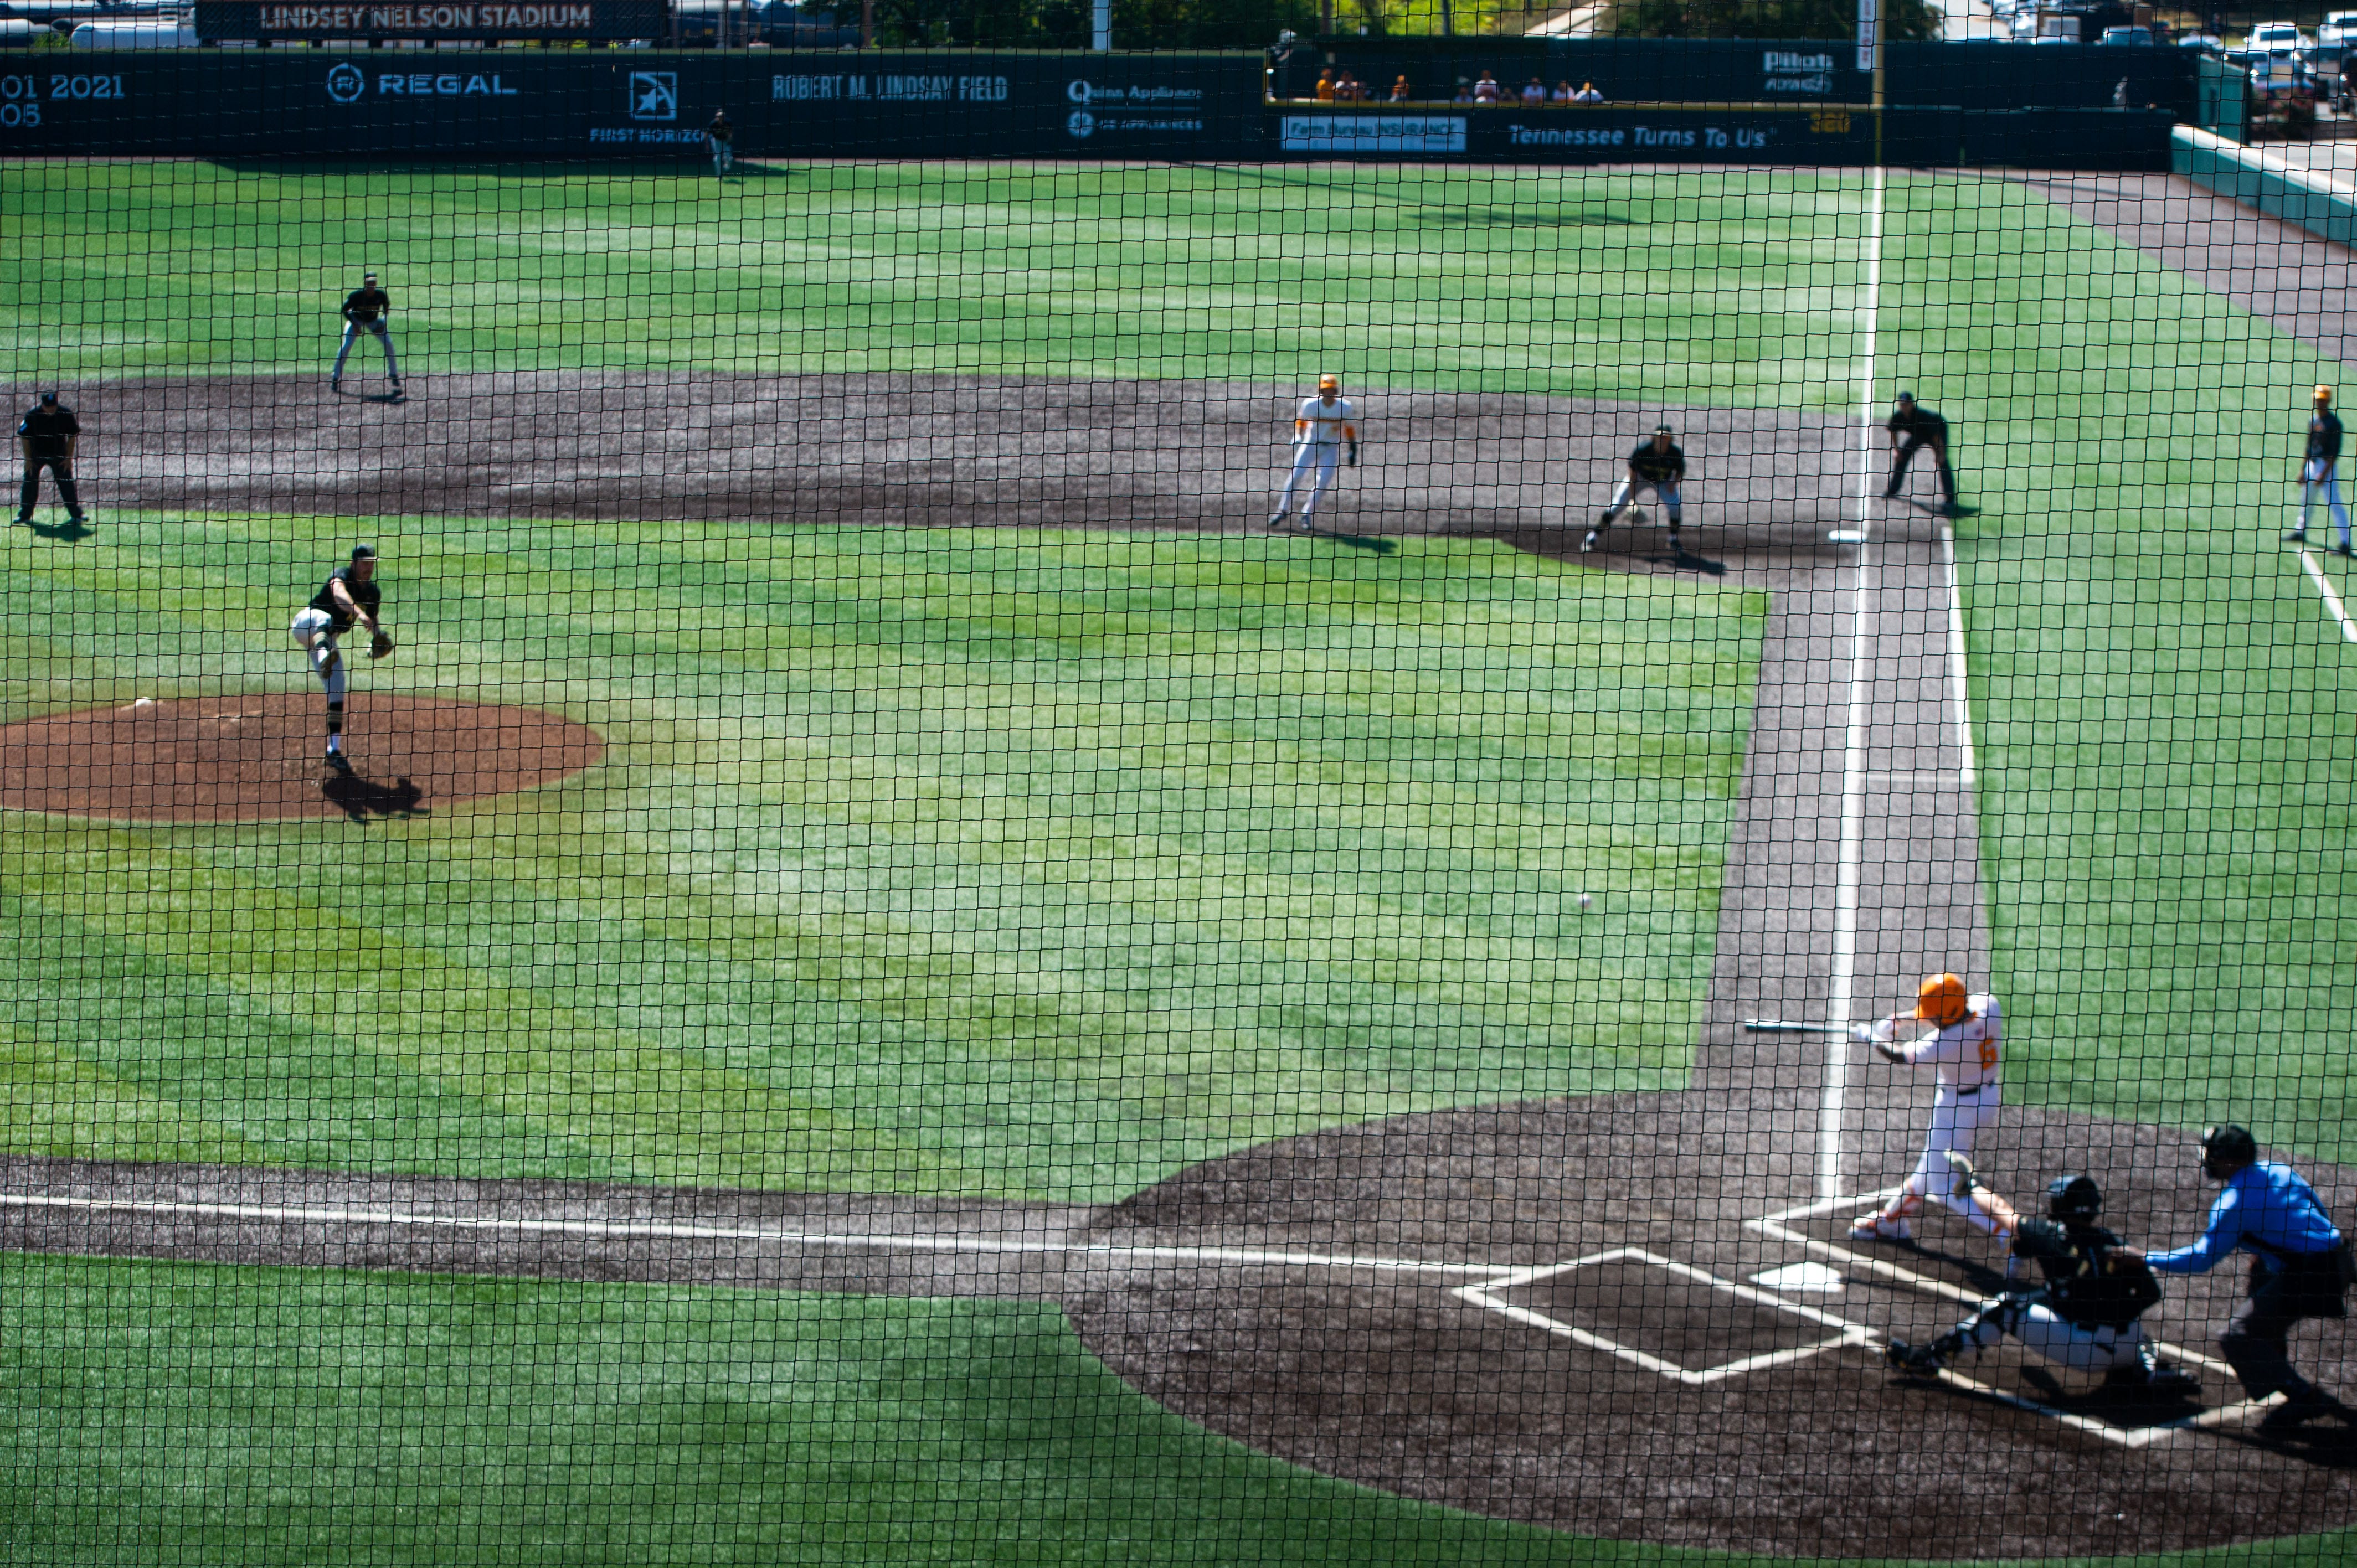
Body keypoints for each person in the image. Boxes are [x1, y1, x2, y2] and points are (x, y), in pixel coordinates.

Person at [2122, 1125, 2355, 1437]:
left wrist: (2144, 1257)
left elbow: (2201, 1259)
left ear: (2228, 1160)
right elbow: (2316, 1212)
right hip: (2339, 1256)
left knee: (2236, 1336)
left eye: (2213, 1155)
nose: (2208, 1161)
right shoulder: (2278, 1169)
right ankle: (2276, 1366)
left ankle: (2302, 1396)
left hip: (2313, 1276)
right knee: (2260, 1281)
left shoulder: (2233, 1203)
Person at [1885, 1175, 2199, 1395]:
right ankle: (2150, 1367)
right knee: (2057, 1297)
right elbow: (2151, 1294)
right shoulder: (2114, 1243)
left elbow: (2000, 1212)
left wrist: (1974, 1184)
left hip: (2087, 1355)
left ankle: (1927, 1360)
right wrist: (2106, 1308)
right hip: (2129, 1346)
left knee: (2005, 1306)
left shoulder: (2050, 1236)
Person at [1847, 972, 2012, 1243]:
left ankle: (2007, 1235)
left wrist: (1874, 1038)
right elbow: (1951, 1011)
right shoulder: (1989, 1006)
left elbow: (1898, 1055)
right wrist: (1902, 1017)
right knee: (1927, 1170)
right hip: (1985, 1099)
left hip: (1957, 1111)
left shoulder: (1946, 1044)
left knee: (1944, 1187)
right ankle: (1892, 1222)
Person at [289, 544, 392, 771]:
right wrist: (358, 613)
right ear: (354, 563)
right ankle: (326, 654)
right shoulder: (342, 576)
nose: (368, 568)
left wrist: (378, 637)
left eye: (371, 563)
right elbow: (338, 595)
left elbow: (372, 623)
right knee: (324, 619)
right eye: (364, 563)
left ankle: (333, 750)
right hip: (306, 624)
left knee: (337, 690)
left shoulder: (372, 593)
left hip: (326, 639)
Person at [1269, 374, 1358, 532]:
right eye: (1325, 390)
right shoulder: (1310, 404)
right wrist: (1297, 435)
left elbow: (1349, 428)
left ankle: (1307, 514)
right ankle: (1283, 510)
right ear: (1321, 390)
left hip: (1330, 448)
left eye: (1331, 390)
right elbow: (1301, 420)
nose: (1328, 393)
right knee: (1296, 476)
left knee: (1323, 483)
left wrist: (1353, 449)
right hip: (1310, 444)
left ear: (1336, 391)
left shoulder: (1345, 407)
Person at [1584, 424, 1687, 555]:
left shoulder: (1675, 453)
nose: (1662, 440)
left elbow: (1680, 471)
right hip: (1639, 479)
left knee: (1675, 507)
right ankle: (1592, 537)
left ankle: (1673, 539)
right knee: (1617, 506)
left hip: (1663, 482)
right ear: (1653, 438)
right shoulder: (1643, 450)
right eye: (1660, 437)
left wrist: (1673, 483)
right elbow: (1632, 474)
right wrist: (1632, 500)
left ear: (1670, 440)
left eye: (1666, 437)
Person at [2284, 383, 2354, 555]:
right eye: (2318, 399)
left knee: (2335, 503)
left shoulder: (2334, 423)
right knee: (2306, 500)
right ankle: (2300, 531)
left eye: (2323, 400)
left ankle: (2345, 543)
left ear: (2328, 400)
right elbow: (2309, 446)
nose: (2320, 403)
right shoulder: (2313, 420)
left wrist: (2323, 474)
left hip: (2326, 467)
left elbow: (2334, 452)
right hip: (2312, 464)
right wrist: (2303, 469)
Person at [16, 390, 87, 528]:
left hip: (58, 454)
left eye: (53, 406)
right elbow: (24, 438)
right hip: (36, 453)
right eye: (48, 406)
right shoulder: (32, 414)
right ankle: (24, 515)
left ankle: (77, 514)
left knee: (66, 482)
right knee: (30, 482)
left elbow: (72, 437)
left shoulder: (65, 413)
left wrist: (68, 459)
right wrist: (28, 460)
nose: (51, 409)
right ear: (42, 404)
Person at [1883, 391, 1958, 513]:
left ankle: (1950, 500)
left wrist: (1940, 454)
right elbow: (1893, 431)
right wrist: (1896, 450)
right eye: (1902, 404)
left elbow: (1936, 437)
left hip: (1936, 433)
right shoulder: (1898, 416)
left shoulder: (1924, 417)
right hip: (1918, 435)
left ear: (1912, 404)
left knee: (1943, 463)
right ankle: (1892, 491)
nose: (1904, 407)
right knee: (1902, 457)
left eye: (1906, 404)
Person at [331, 272, 403, 397]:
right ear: (365, 283)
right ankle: (336, 377)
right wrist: (354, 324)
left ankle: (394, 374)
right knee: (346, 346)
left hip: (373, 321)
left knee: (389, 343)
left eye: (374, 282)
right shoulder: (356, 296)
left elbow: (386, 309)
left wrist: (384, 322)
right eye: (369, 283)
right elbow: (345, 310)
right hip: (356, 319)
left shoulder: (381, 295)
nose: (372, 285)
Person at [706, 109, 735, 177]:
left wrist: (730, 138)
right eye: (719, 117)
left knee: (730, 158)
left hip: (726, 141)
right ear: (716, 117)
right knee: (717, 158)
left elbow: (731, 132)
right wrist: (707, 144)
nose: (720, 118)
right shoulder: (713, 124)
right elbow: (706, 134)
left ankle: (727, 168)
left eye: (722, 117)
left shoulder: (728, 123)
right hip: (716, 141)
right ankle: (719, 175)